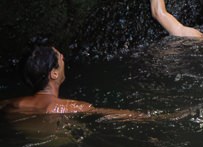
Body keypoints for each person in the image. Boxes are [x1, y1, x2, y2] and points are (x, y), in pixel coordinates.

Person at [3, 43, 144, 119]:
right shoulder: (72, 107)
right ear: (54, 73)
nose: (63, 58)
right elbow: (112, 113)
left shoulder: (11, 104)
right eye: (61, 58)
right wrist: (151, 117)